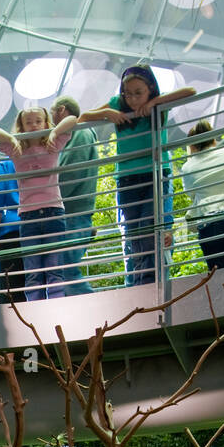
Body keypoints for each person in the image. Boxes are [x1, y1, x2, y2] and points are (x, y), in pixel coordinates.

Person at [80, 64, 195, 287]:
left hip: (155, 175)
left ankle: (150, 284)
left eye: (138, 93)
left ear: (150, 88)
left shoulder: (158, 105)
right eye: (128, 93)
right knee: (132, 234)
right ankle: (135, 284)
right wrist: (107, 113)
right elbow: (84, 117)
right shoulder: (118, 104)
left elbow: (190, 91)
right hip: (127, 179)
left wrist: (154, 103)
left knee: (150, 230)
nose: (132, 99)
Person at [0, 105, 78, 301]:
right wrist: (12, 138)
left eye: (38, 121)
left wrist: (54, 132)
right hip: (28, 216)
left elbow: (72, 120)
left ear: (45, 122)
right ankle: (35, 309)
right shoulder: (16, 150)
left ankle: (56, 307)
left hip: (54, 212)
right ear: (21, 126)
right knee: (33, 271)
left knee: (54, 268)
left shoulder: (52, 144)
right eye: (28, 122)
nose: (34, 125)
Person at [180, 119, 224, 271]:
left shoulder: (187, 168)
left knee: (220, 275)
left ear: (192, 144)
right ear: (213, 137)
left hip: (208, 225)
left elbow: (191, 194)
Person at [51, 96, 99, 294]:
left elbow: (70, 173)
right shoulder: (80, 133)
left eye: (52, 112)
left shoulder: (79, 132)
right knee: (65, 269)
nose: (51, 119)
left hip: (73, 213)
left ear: (61, 110)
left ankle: (94, 307)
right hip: (76, 213)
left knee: (66, 269)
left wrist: (51, 196)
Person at [0, 155, 25, 305]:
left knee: (12, 288)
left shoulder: (7, 165)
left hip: (11, 233)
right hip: (38, 229)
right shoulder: (41, 159)